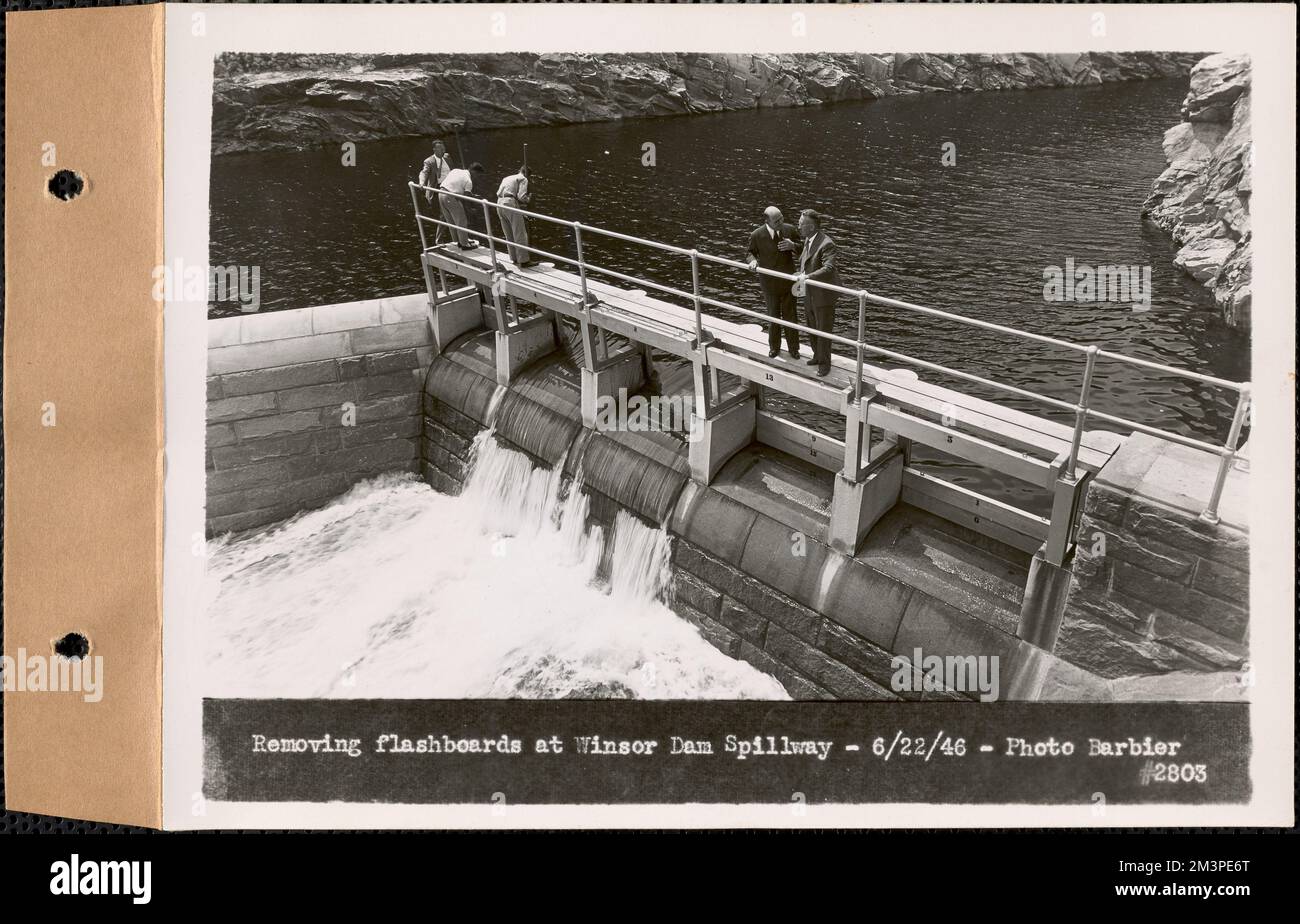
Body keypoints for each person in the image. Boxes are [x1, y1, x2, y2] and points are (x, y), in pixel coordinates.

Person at [747, 206, 801, 359]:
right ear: (767, 221)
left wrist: (793, 246)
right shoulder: (757, 235)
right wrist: (753, 262)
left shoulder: (790, 230)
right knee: (773, 317)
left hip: (789, 282)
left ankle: (794, 349)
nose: (781, 222)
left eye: (782, 218)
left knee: (791, 317)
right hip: (769, 284)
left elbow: (804, 249)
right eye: (777, 221)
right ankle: (774, 348)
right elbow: (750, 252)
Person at [794, 209, 841, 377]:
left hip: (823, 295)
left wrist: (806, 276)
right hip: (809, 293)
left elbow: (828, 268)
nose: (798, 226)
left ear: (812, 227)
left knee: (823, 330)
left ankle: (824, 364)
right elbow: (807, 258)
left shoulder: (827, 244)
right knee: (812, 326)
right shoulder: (808, 239)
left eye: (801, 223)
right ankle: (816, 355)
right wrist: (794, 247)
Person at [439, 162, 484, 249]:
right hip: (450, 196)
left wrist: (472, 195)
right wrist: (470, 210)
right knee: (462, 220)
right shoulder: (469, 181)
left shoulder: (456, 170)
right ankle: (464, 244)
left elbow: (455, 184)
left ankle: (460, 240)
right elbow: (466, 199)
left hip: (441, 193)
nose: (477, 178)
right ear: (474, 172)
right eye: (478, 175)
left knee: (451, 220)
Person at [495, 165, 532, 267]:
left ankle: (514, 258)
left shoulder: (507, 177)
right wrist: (528, 199)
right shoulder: (524, 179)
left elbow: (500, 192)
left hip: (499, 202)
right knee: (519, 232)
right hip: (510, 202)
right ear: (528, 175)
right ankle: (524, 261)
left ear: (519, 170)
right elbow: (521, 196)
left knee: (508, 232)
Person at [418, 140, 453, 244]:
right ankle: (439, 240)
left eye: (443, 147)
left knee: (454, 213)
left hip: (451, 187)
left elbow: (453, 170)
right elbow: (424, 172)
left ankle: (457, 237)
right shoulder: (429, 161)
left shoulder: (447, 157)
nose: (443, 150)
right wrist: (421, 182)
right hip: (438, 189)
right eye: (440, 148)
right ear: (434, 149)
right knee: (444, 214)